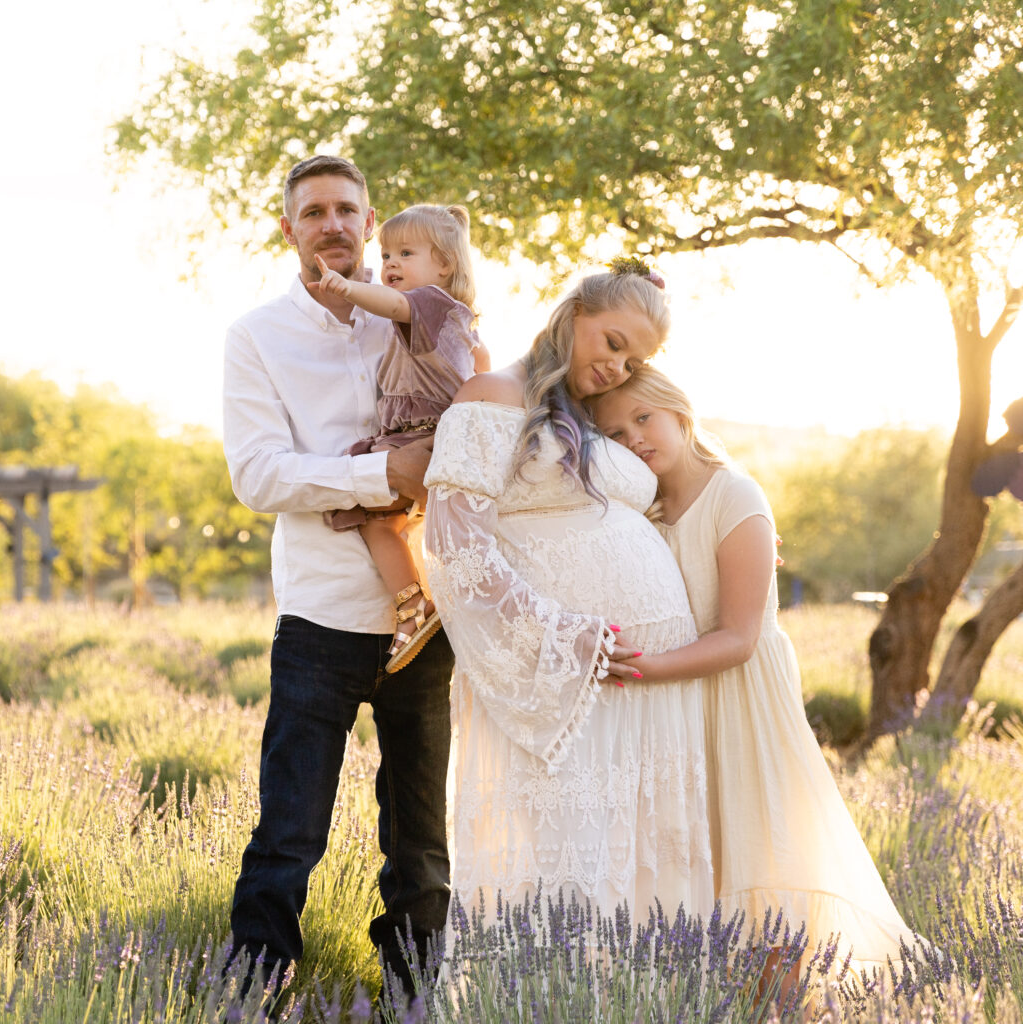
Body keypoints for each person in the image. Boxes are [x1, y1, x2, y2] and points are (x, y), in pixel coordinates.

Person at [592, 365, 919, 977]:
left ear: (679, 413)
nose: (633, 438)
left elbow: (739, 639)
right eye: (613, 433)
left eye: (643, 418)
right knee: (706, 873)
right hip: (682, 704)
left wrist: (647, 669)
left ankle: (782, 1007)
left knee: (763, 868)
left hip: (743, 699)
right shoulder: (644, 510)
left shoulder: (735, 496)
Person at [421, 258, 713, 933]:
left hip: (648, 680)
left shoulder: (594, 418)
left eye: (634, 360)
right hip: (562, 676)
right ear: (575, 312)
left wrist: (729, 535)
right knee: (566, 865)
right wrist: (564, 640)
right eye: (613, 343)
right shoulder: (493, 396)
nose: (618, 367)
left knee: (641, 862)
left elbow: (668, 482)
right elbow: (454, 545)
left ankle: (648, 988)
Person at [222, 154, 455, 997]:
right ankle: (252, 997)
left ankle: (413, 1001)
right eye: (314, 211)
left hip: (427, 620)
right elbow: (258, 476)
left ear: (369, 221)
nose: (332, 224)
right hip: (319, 622)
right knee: (288, 835)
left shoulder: (414, 316)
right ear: (288, 228)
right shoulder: (256, 337)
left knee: (421, 846)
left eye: (346, 210)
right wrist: (379, 475)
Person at [307, 203, 492, 673]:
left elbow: (392, 305)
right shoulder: (455, 320)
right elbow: (480, 368)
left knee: (373, 518)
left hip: (416, 438)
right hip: (425, 435)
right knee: (402, 526)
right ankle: (431, 602)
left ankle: (413, 604)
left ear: (444, 265)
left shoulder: (429, 303)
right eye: (386, 254)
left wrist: (347, 288)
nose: (390, 264)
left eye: (405, 254)